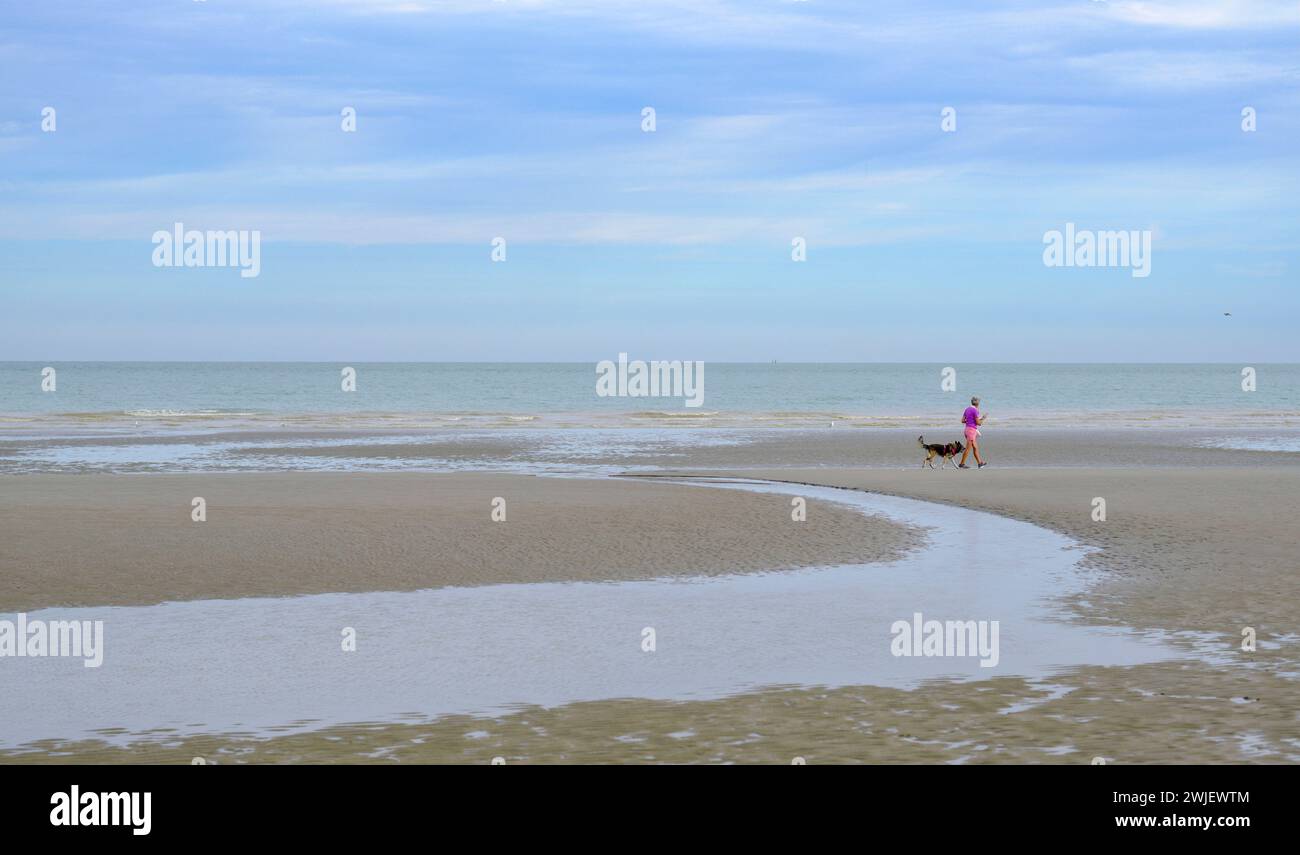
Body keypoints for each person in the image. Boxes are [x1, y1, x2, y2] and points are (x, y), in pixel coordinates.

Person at [958, 396, 986, 469]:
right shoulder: (975, 410)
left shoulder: (967, 409)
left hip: (967, 430)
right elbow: (978, 423)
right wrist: (983, 418)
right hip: (971, 431)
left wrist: (970, 421)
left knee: (975, 448)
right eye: (979, 402)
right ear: (977, 403)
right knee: (968, 448)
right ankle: (961, 464)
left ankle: (980, 463)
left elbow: (962, 420)